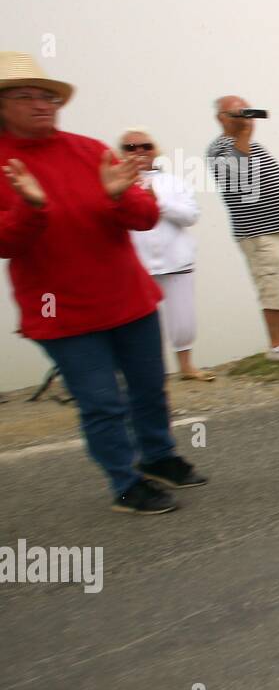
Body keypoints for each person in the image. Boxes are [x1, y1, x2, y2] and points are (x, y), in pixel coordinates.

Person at [0, 52, 206, 514]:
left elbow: (146, 214)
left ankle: (158, 455)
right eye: (25, 96)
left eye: (47, 96)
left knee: (150, 385)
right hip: (60, 312)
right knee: (102, 402)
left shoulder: (90, 150)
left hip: (127, 297)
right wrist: (30, 209)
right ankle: (125, 482)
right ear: (2, 105)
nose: (41, 104)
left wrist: (117, 198)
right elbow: (5, 244)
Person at [207, 94, 279, 363]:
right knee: (272, 287)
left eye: (246, 112)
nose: (245, 118)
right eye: (237, 113)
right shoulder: (219, 148)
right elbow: (240, 177)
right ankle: (277, 344)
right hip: (259, 232)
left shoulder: (251, 145)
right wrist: (244, 134)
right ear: (221, 118)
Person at [120, 127, 213, 381]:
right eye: (131, 147)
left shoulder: (174, 182)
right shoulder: (115, 184)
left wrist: (156, 202)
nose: (139, 151)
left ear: (155, 150)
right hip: (136, 265)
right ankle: (148, 373)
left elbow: (191, 215)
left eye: (145, 146)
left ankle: (186, 367)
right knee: (140, 324)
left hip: (177, 260)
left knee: (183, 320)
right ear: (121, 153)